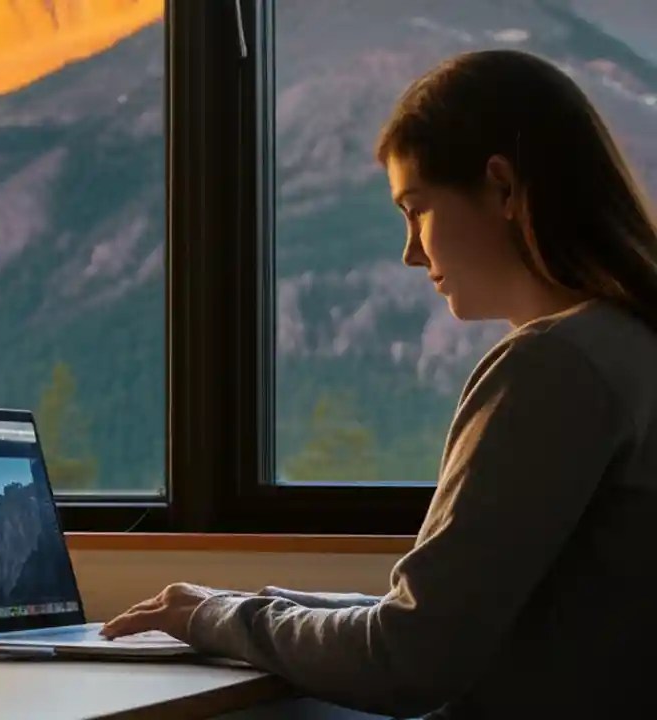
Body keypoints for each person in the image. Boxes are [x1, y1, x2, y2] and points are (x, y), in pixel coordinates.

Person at [99, 49, 657, 718]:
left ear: (503, 189)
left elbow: (409, 656)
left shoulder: (555, 367)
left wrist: (219, 618)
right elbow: (442, 622)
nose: (410, 252)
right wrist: (253, 610)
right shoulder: (629, 346)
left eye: (416, 210)